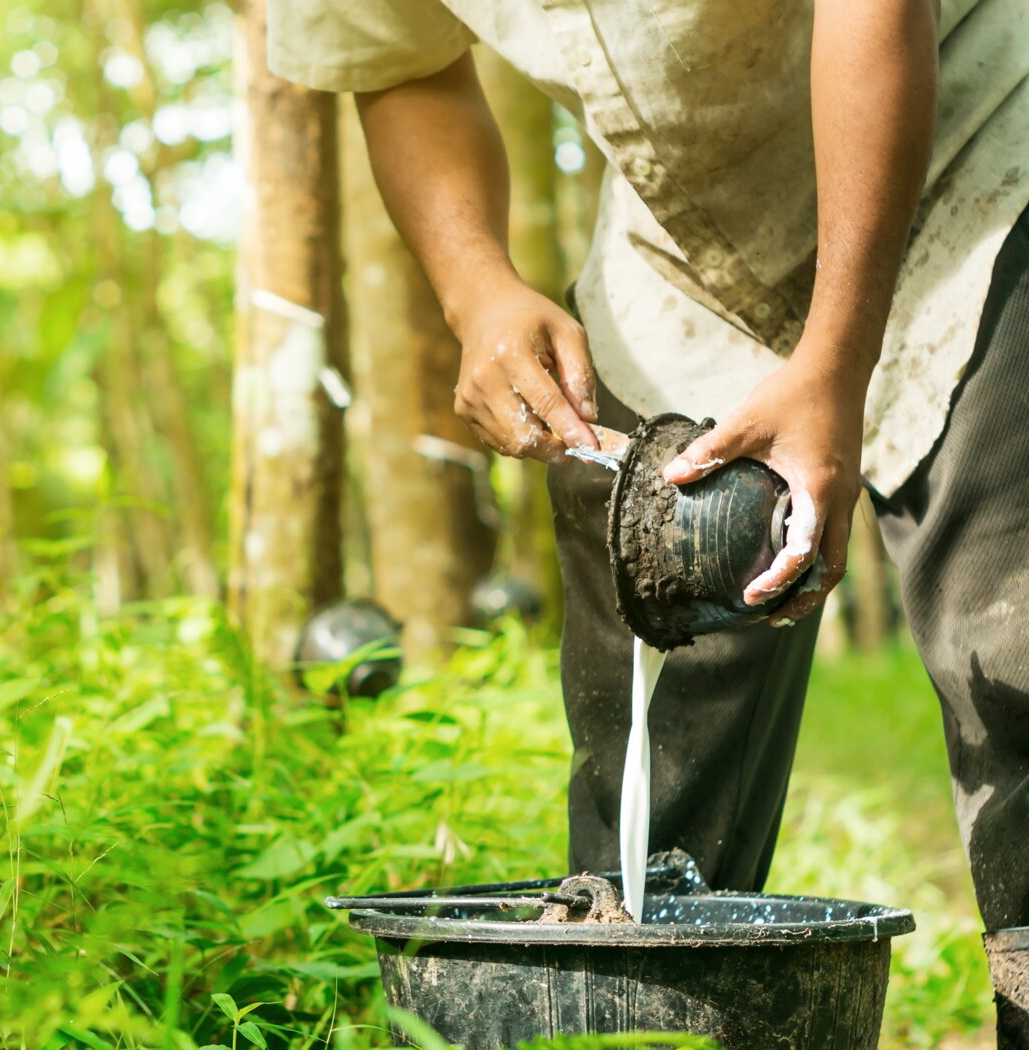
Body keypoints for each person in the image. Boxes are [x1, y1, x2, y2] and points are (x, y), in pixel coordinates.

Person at [267, 0, 1029, 1041]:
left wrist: (834, 362)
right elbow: (401, 62)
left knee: (1013, 651)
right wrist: (476, 288)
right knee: (651, 785)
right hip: (687, 245)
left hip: (968, 148)